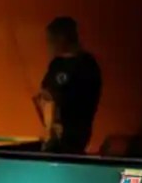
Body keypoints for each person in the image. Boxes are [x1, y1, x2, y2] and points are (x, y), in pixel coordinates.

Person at [36, 17, 102, 154]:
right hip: (55, 133)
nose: (49, 44)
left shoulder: (87, 64)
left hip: (75, 134)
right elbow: (47, 95)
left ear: (62, 38)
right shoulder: (56, 64)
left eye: (52, 39)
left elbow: (86, 100)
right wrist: (50, 128)